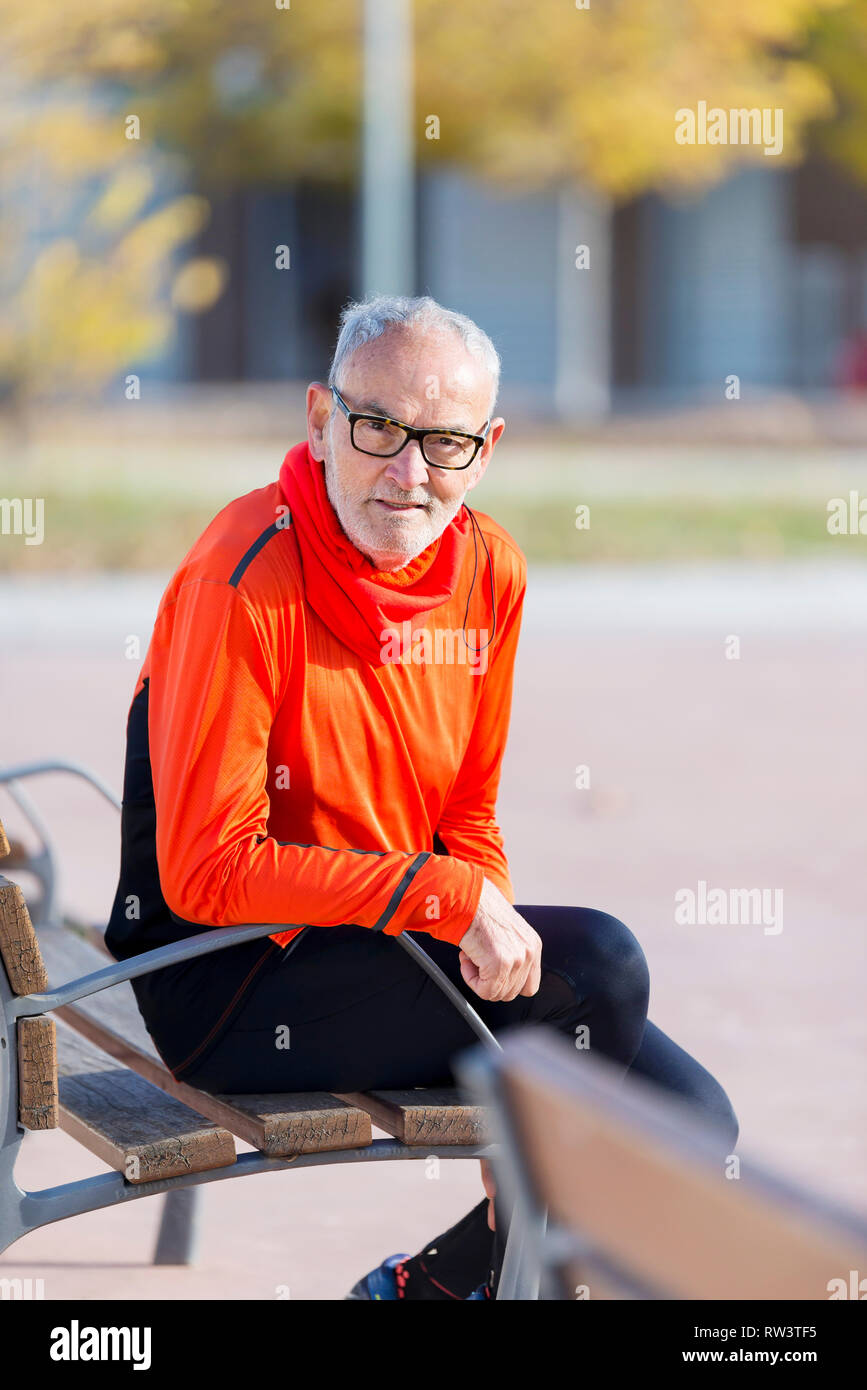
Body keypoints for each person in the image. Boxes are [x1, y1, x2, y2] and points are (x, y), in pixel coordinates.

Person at [105, 293, 738, 1300]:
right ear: (319, 421)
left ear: (484, 451)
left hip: (380, 945)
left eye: (443, 442)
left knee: (695, 1129)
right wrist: (450, 902)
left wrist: (512, 1035)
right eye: (377, 428)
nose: (408, 474)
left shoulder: (490, 569)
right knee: (603, 963)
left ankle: (425, 1289)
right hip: (223, 975)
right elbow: (207, 870)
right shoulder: (248, 572)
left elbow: (468, 817)